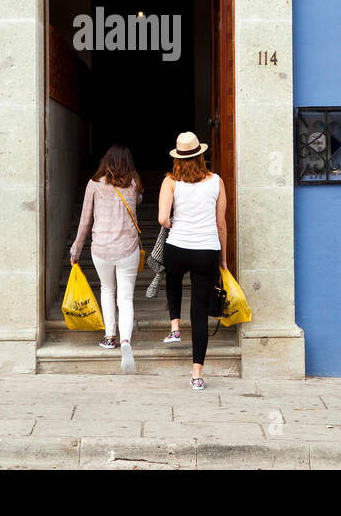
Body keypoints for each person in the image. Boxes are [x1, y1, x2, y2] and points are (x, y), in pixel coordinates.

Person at [158, 131, 227, 391]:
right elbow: (221, 224)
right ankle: (197, 374)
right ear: (201, 156)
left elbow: (163, 219)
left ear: (178, 158)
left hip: (178, 245)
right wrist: (224, 260)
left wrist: (176, 223)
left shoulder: (170, 181)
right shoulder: (217, 181)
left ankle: (174, 326)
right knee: (199, 313)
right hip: (207, 250)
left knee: (173, 280)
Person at [70, 144, 143, 373]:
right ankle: (125, 342)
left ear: (106, 161)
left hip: (101, 248)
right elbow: (139, 201)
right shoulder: (134, 185)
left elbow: (85, 220)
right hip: (127, 249)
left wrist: (76, 249)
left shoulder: (94, 185)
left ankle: (110, 336)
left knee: (107, 289)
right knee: (126, 297)